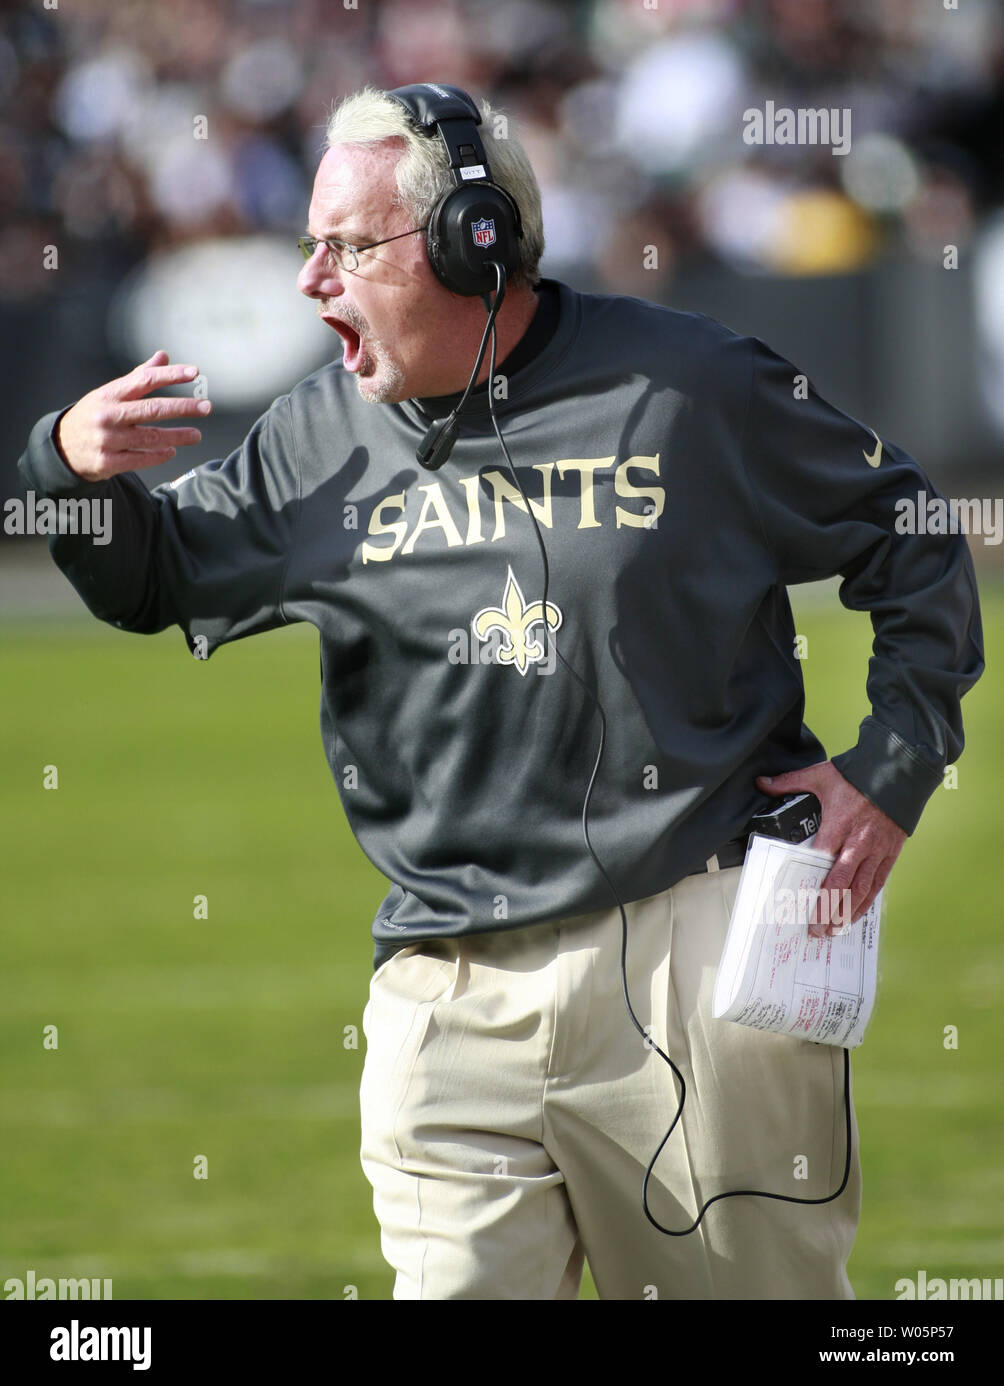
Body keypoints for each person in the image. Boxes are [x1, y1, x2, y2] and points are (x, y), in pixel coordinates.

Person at [17, 83, 984, 1301]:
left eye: (349, 247)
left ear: (472, 241)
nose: (312, 281)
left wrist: (892, 768)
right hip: (442, 988)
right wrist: (66, 469)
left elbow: (903, 527)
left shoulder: (690, 386)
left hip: (690, 958)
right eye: (308, 245)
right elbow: (152, 580)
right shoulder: (318, 436)